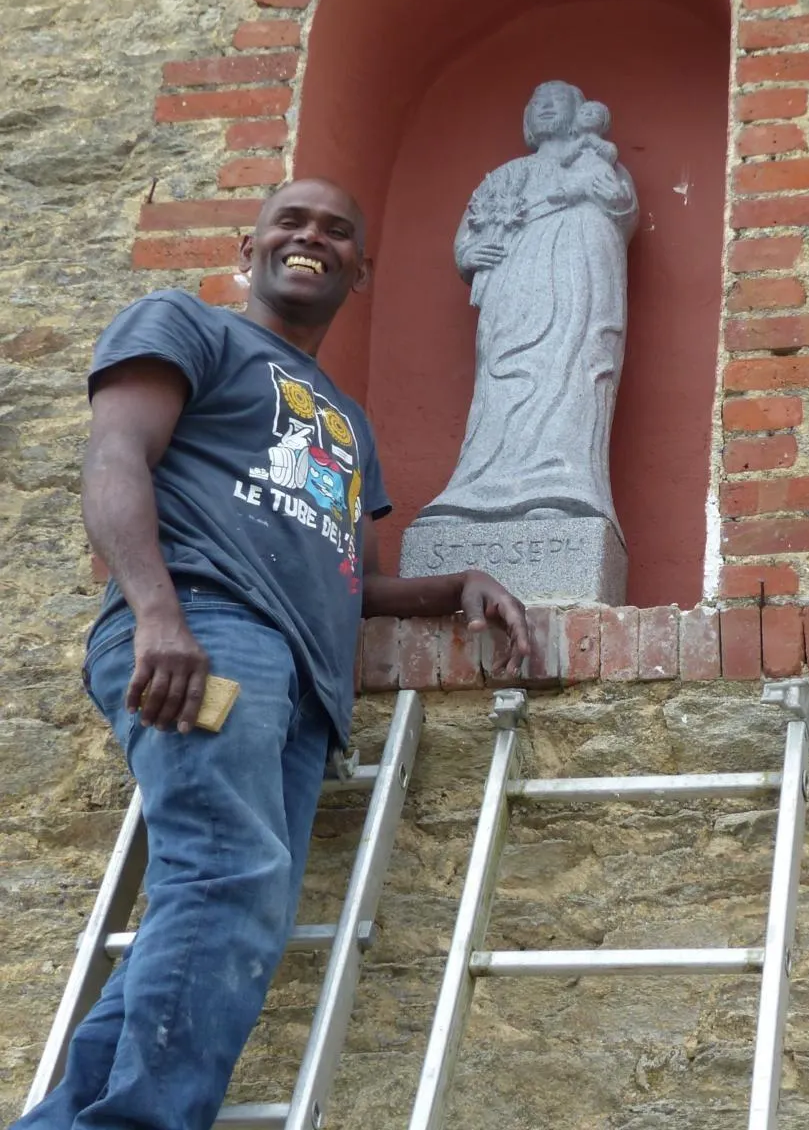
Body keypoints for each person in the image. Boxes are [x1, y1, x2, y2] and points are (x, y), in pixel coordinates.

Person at [14, 178, 529, 1130]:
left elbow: (344, 576)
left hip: (300, 688)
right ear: (248, 249)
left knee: (224, 901)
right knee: (227, 880)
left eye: (337, 231)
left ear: (360, 270)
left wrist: (455, 583)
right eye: (290, 221)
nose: (312, 237)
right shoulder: (188, 327)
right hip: (205, 631)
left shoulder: (347, 423)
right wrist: (159, 614)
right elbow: (115, 458)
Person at [419, 81, 639, 536]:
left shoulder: (599, 162)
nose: (546, 106)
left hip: (578, 274)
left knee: (572, 368)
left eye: (558, 100)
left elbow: (622, 210)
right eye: (538, 101)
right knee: (504, 373)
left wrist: (607, 193)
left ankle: (564, 484)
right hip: (516, 284)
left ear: (578, 113)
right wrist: (470, 253)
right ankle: (479, 486)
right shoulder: (508, 175)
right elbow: (470, 234)